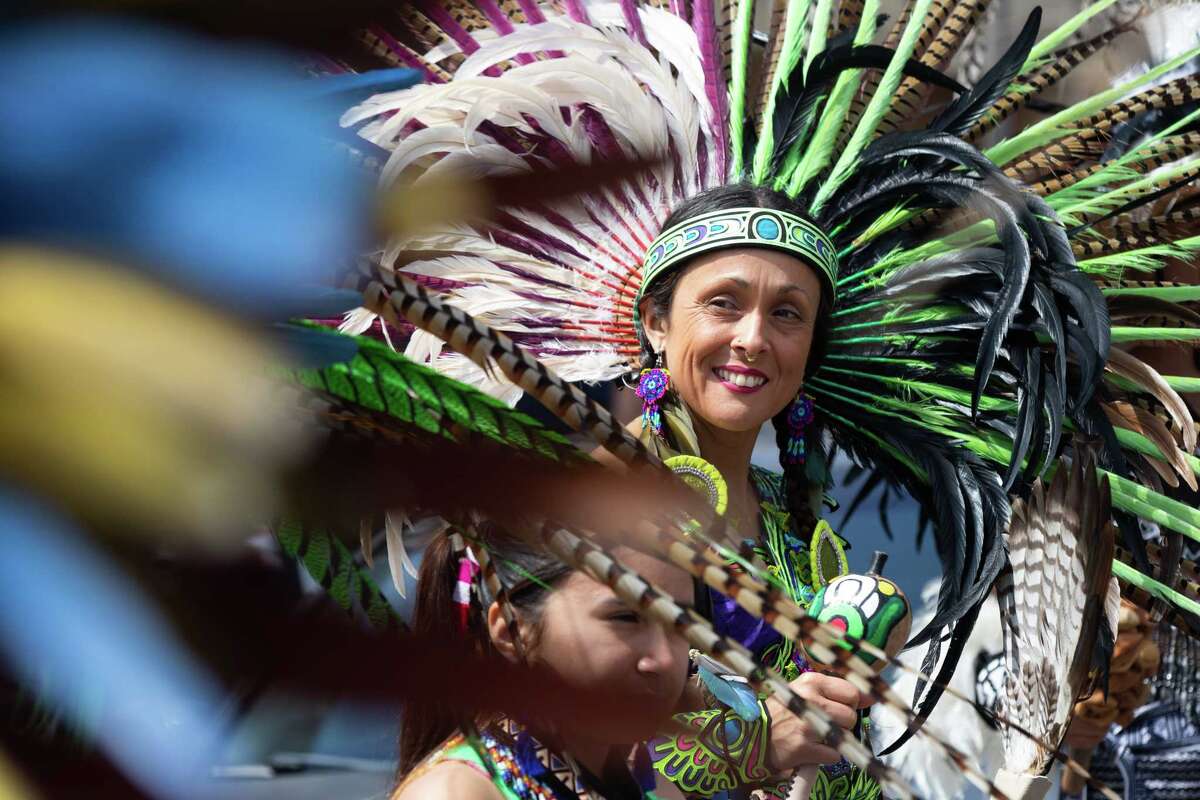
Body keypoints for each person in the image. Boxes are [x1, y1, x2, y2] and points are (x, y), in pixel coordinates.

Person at [329, 1, 1200, 797]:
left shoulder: (791, 515)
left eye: (787, 314)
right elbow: (578, 733)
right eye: (723, 303)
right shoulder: (595, 496)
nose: (753, 339)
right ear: (655, 326)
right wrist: (765, 741)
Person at [394, 530, 693, 800]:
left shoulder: (658, 791)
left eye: (680, 625)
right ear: (511, 630)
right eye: (625, 618)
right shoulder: (455, 794)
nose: (664, 660)